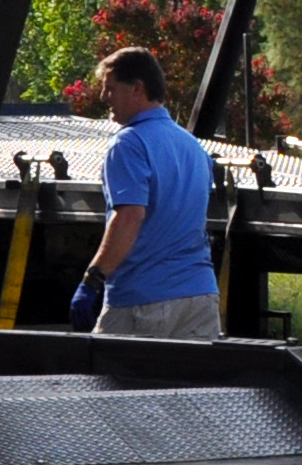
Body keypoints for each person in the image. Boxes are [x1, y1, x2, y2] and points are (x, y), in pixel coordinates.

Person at [69, 46, 221, 340]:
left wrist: (92, 280)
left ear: (137, 88)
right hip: (200, 297)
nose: (104, 98)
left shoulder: (128, 144)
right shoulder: (193, 148)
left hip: (143, 301)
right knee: (192, 386)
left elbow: (129, 217)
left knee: (108, 383)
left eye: (111, 89)